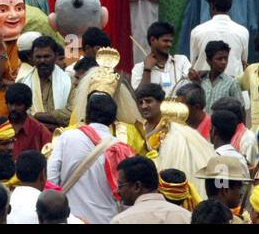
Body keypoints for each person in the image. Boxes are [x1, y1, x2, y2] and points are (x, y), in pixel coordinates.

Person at [46, 91, 135, 224]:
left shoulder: (67, 137)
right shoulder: (122, 149)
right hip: (107, 219)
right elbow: (127, 195)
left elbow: (52, 180)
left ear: (86, 115)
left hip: (70, 218)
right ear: (113, 120)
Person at [112, 155, 191, 224]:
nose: (118, 191)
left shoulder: (121, 221)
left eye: (120, 185)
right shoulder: (187, 217)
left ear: (137, 186)